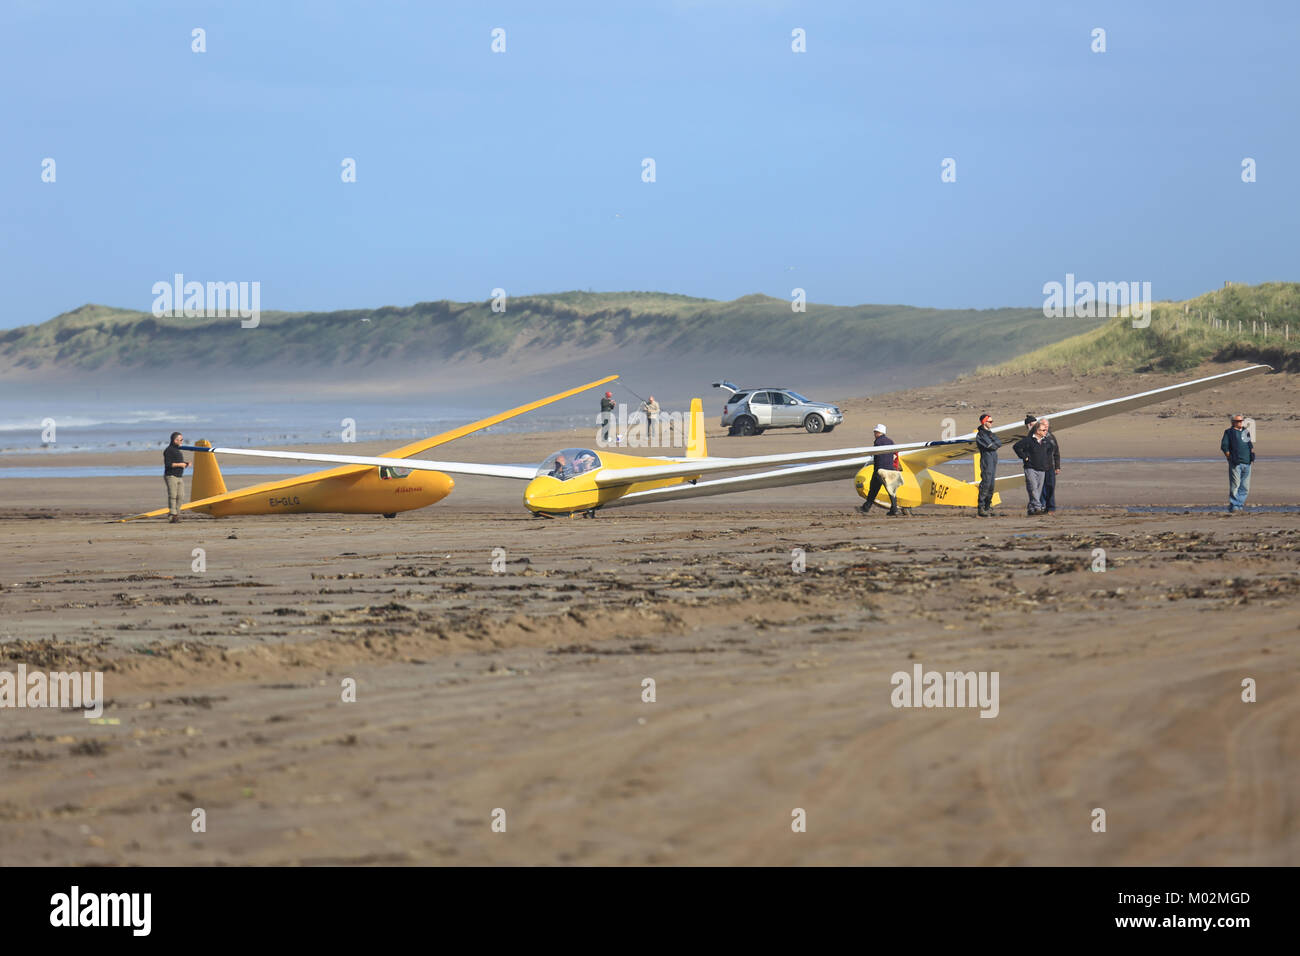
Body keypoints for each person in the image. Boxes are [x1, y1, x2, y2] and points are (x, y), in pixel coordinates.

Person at [1012, 418, 1052, 516]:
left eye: (1046, 430)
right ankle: (1038, 507)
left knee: (1038, 489)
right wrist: (1024, 457)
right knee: (1033, 488)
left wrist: (1046, 463)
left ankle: (1031, 508)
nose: (1045, 432)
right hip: (1030, 468)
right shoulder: (1029, 440)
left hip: (1042, 469)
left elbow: (1049, 451)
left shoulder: (1046, 441)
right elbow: (1016, 447)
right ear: (1037, 431)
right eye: (1043, 430)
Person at [862, 424, 903, 516]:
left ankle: (866, 507)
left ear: (878, 432)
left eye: (875, 432)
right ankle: (894, 509)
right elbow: (895, 455)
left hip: (880, 470)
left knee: (873, 489)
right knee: (891, 490)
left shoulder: (878, 442)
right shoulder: (891, 441)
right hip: (890, 470)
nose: (874, 433)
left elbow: (876, 455)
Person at [1221, 414, 1255, 513]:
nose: (1241, 422)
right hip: (1236, 463)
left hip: (1247, 462)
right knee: (1235, 485)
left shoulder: (1245, 432)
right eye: (1239, 421)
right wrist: (1230, 458)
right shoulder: (1229, 432)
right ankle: (1235, 506)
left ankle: (1239, 505)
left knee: (1245, 487)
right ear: (1233, 422)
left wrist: (1252, 455)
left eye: (1242, 421)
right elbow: (1224, 446)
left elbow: (1250, 445)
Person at [974, 413, 999, 517]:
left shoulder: (990, 433)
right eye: (990, 421)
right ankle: (981, 507)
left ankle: (988, 506)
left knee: (992, 484)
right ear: (984, 422)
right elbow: (991, 445)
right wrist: (993, 444)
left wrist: (993, 444)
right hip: (986, 460)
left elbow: (998, 443)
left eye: (992, 421)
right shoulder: (981, 435)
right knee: (986, 483)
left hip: (993, 459)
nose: (991, 423)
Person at [163, 431, 188, 523]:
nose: (182, 441)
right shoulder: (168, 450)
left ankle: (176, 513)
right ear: (175, 440)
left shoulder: (178, 450)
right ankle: (173, 515)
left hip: (179, 476)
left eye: (182, 439)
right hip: (171, 476)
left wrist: (185, 463)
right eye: (181, 439)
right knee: (173, 496)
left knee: (181, 496)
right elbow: (168, 464)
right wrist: (181, 464)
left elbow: (178, 462)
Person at [1040, 418, 1061, 514]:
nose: (1046, 428)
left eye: (1047, 426)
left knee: (1051, 487)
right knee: (1041, 488)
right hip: (1039, 467)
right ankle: (1042, 506)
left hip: (1050, 467)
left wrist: (1057, 466)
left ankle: (1051, 508)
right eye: (1044, 426)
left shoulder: (1051, 437)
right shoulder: (1036, 437)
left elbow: (1056, 453)